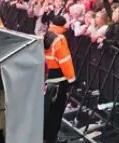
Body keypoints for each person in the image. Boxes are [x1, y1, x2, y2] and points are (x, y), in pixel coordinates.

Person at [43, 15, 76, 143]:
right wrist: (72, 79)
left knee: (46, 110)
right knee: (56, 113)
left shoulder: (46, 35)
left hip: (47, 79)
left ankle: (44, 135)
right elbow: (65, 61)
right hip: (59, 81)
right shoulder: (60, 39)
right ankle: (51, 138)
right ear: (63, 25)